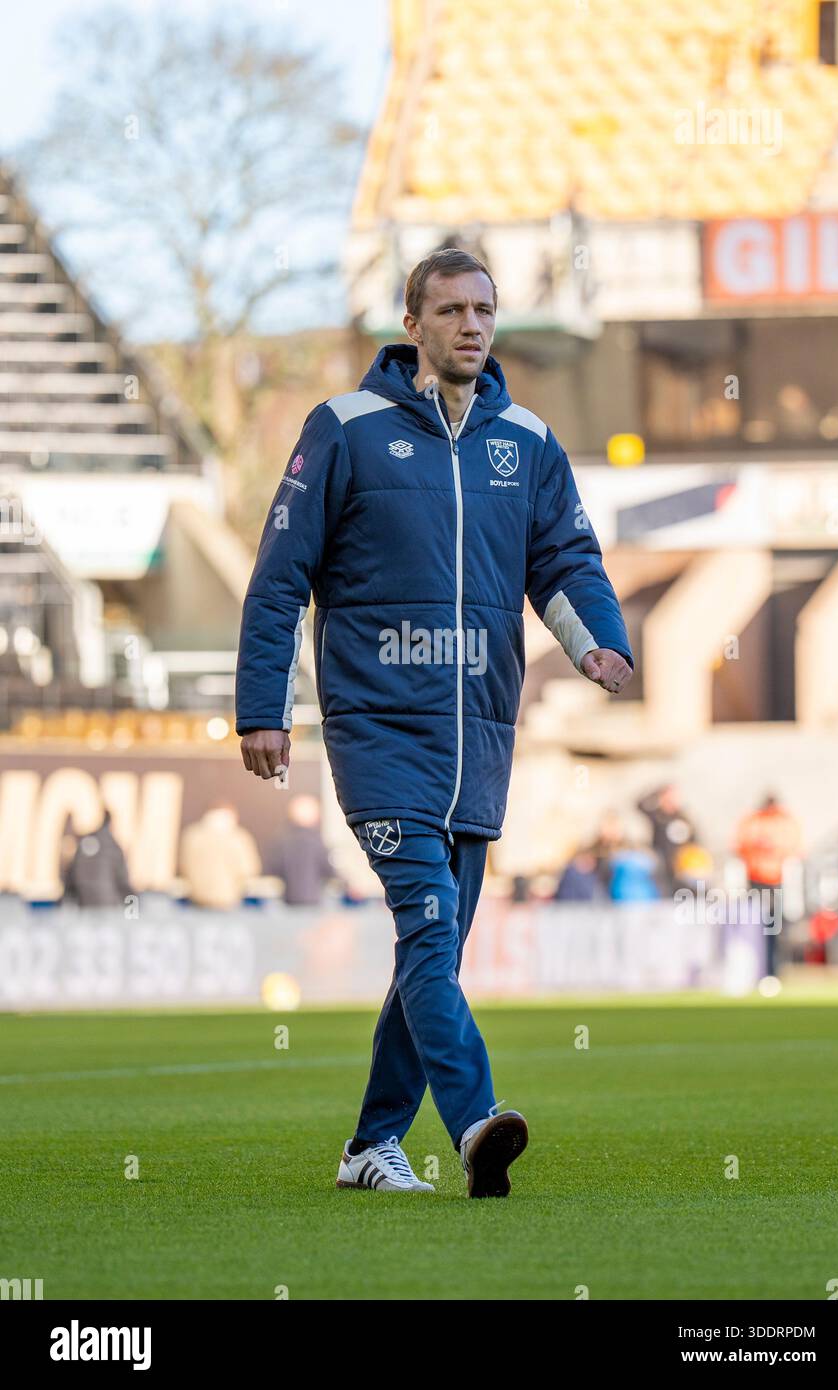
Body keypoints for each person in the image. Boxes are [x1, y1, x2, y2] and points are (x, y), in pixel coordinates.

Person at [235, 247, 633, 1196]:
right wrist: (263, 707)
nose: (470, 325)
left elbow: (566, 563)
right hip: (378, 734)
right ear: (410, 322)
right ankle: (475, 1124)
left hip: (480, 738)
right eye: (450, 309)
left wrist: (597, 642)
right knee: (426, 927)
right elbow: (279, 577)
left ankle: (371, 1147)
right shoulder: (343, 430)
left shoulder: (528, 442)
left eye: (484, 309)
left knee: (436, 950)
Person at [734, 792, 802, 978]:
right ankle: (755, 970)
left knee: (775, 928)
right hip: (756, 880)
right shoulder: (753, 821)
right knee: (755, 928)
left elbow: (796, 847)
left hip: (777, 881)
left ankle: (774, 970)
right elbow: (739, 845)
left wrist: (773, 847)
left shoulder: (785, 821)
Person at [178, 802, 261, 910]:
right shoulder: (238, 838)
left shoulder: (192, 836)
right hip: (228, 900)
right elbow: (249, 870)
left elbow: (184, 866)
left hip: (198, 900)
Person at [264, 794, 336, 905]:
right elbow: (328, 869)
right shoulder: (316, 840)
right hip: (313, 901)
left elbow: (272, 868)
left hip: (289, 901)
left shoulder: (281, 840)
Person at [62, 809, 132, 909]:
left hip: (84, 907)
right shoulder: (113, 846)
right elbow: (123, 883)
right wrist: (133, 909)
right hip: (107, 907)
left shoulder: (84, 844)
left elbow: (71, 878)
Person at [637, 783, 697, 896]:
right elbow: (639, 804)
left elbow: (693, 838)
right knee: (663, 890)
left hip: (679, 864)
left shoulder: (682, 817)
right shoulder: (658, 815)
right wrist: (656, 792)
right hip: (661, 861)